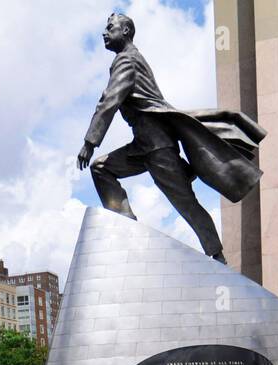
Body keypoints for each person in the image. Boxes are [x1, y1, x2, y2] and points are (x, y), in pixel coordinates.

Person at [76, 13, 264, 264]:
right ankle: (127, 226)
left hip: (156, 147)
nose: (104, 33)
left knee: (185, 203)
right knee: (102, 168)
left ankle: (217, 256)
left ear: (127, 31)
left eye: (110, 28)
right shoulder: (130, 59)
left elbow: (109, 102)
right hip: (143, 145)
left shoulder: (126, 61)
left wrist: (89, 143)